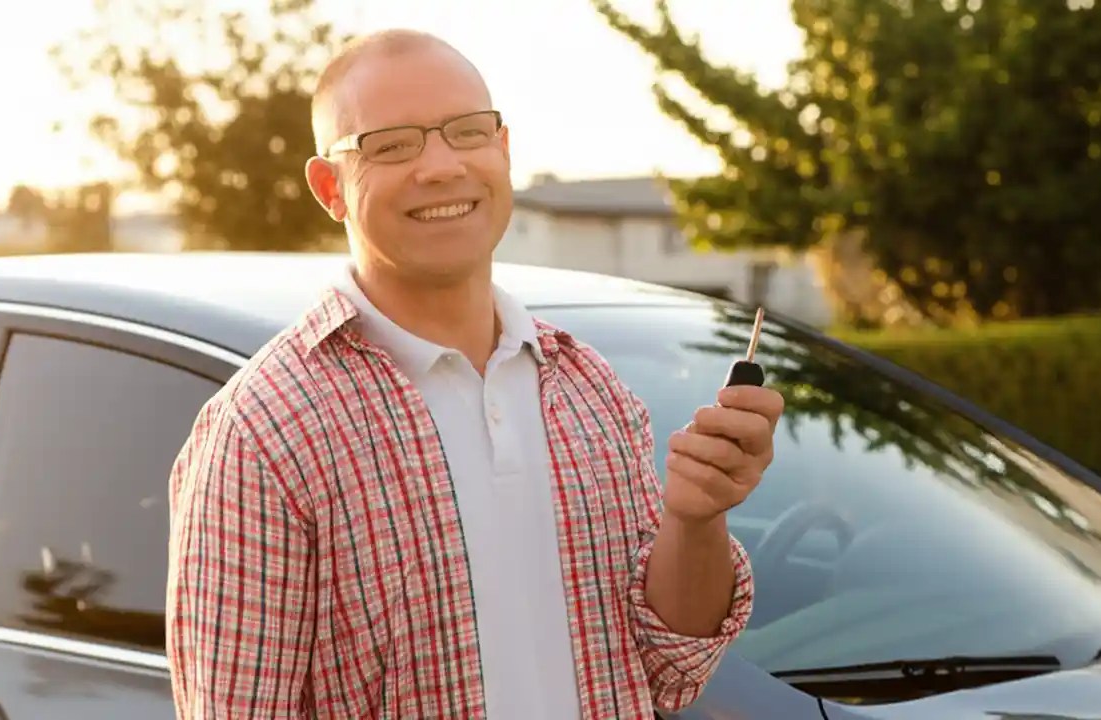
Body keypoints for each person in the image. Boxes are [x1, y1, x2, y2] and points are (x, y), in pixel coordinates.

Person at [165, 28, 785, 720]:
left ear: (504, 152)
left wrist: (694, 519)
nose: (440, 167)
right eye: (391, 145)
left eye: (466, 132)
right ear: (329, 187)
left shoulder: (588, 388)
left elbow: (669, 670)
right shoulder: (264, 430)